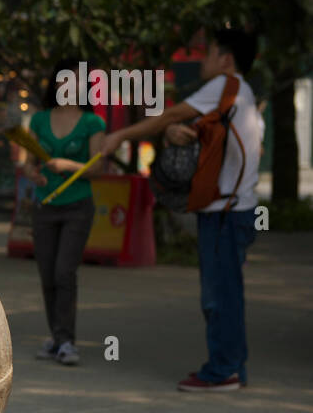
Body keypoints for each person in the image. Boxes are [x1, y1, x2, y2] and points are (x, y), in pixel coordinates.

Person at [100, 28, 260, 393]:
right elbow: (192, 129)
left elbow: (170, 113)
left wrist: (120, 137)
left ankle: (223, 372)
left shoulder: (225, 86)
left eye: (209, 53)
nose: (203, 60)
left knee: (218, 296)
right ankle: (233, 366)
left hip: (225, 213)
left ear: (226, 59)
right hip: (234, 211)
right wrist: (173, 131)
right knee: (228, 292)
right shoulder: (241, 93)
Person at [22, 58, 107, 366]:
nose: (68, 86)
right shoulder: (39, 120)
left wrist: (67, 165)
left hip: (77, 206)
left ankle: (67, 341)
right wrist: (34, 174)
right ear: (55, 84)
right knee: (47, 274)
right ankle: (57, 338)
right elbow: (29, 162)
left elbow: (99, 166)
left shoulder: (92, 123)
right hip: (45, 205)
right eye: (63, 80)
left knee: (64, 272)